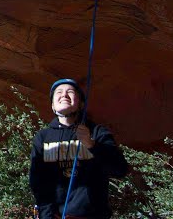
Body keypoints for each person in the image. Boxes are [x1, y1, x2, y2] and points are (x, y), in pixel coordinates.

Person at [29, 78, 129, 219]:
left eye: (70, 92)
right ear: (52, 105)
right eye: (59, 92)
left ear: (81, 103)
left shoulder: (97, 132)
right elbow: (38, 181)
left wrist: (91, 144)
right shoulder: (43, 137)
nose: (64, 95)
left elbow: (120, 169)